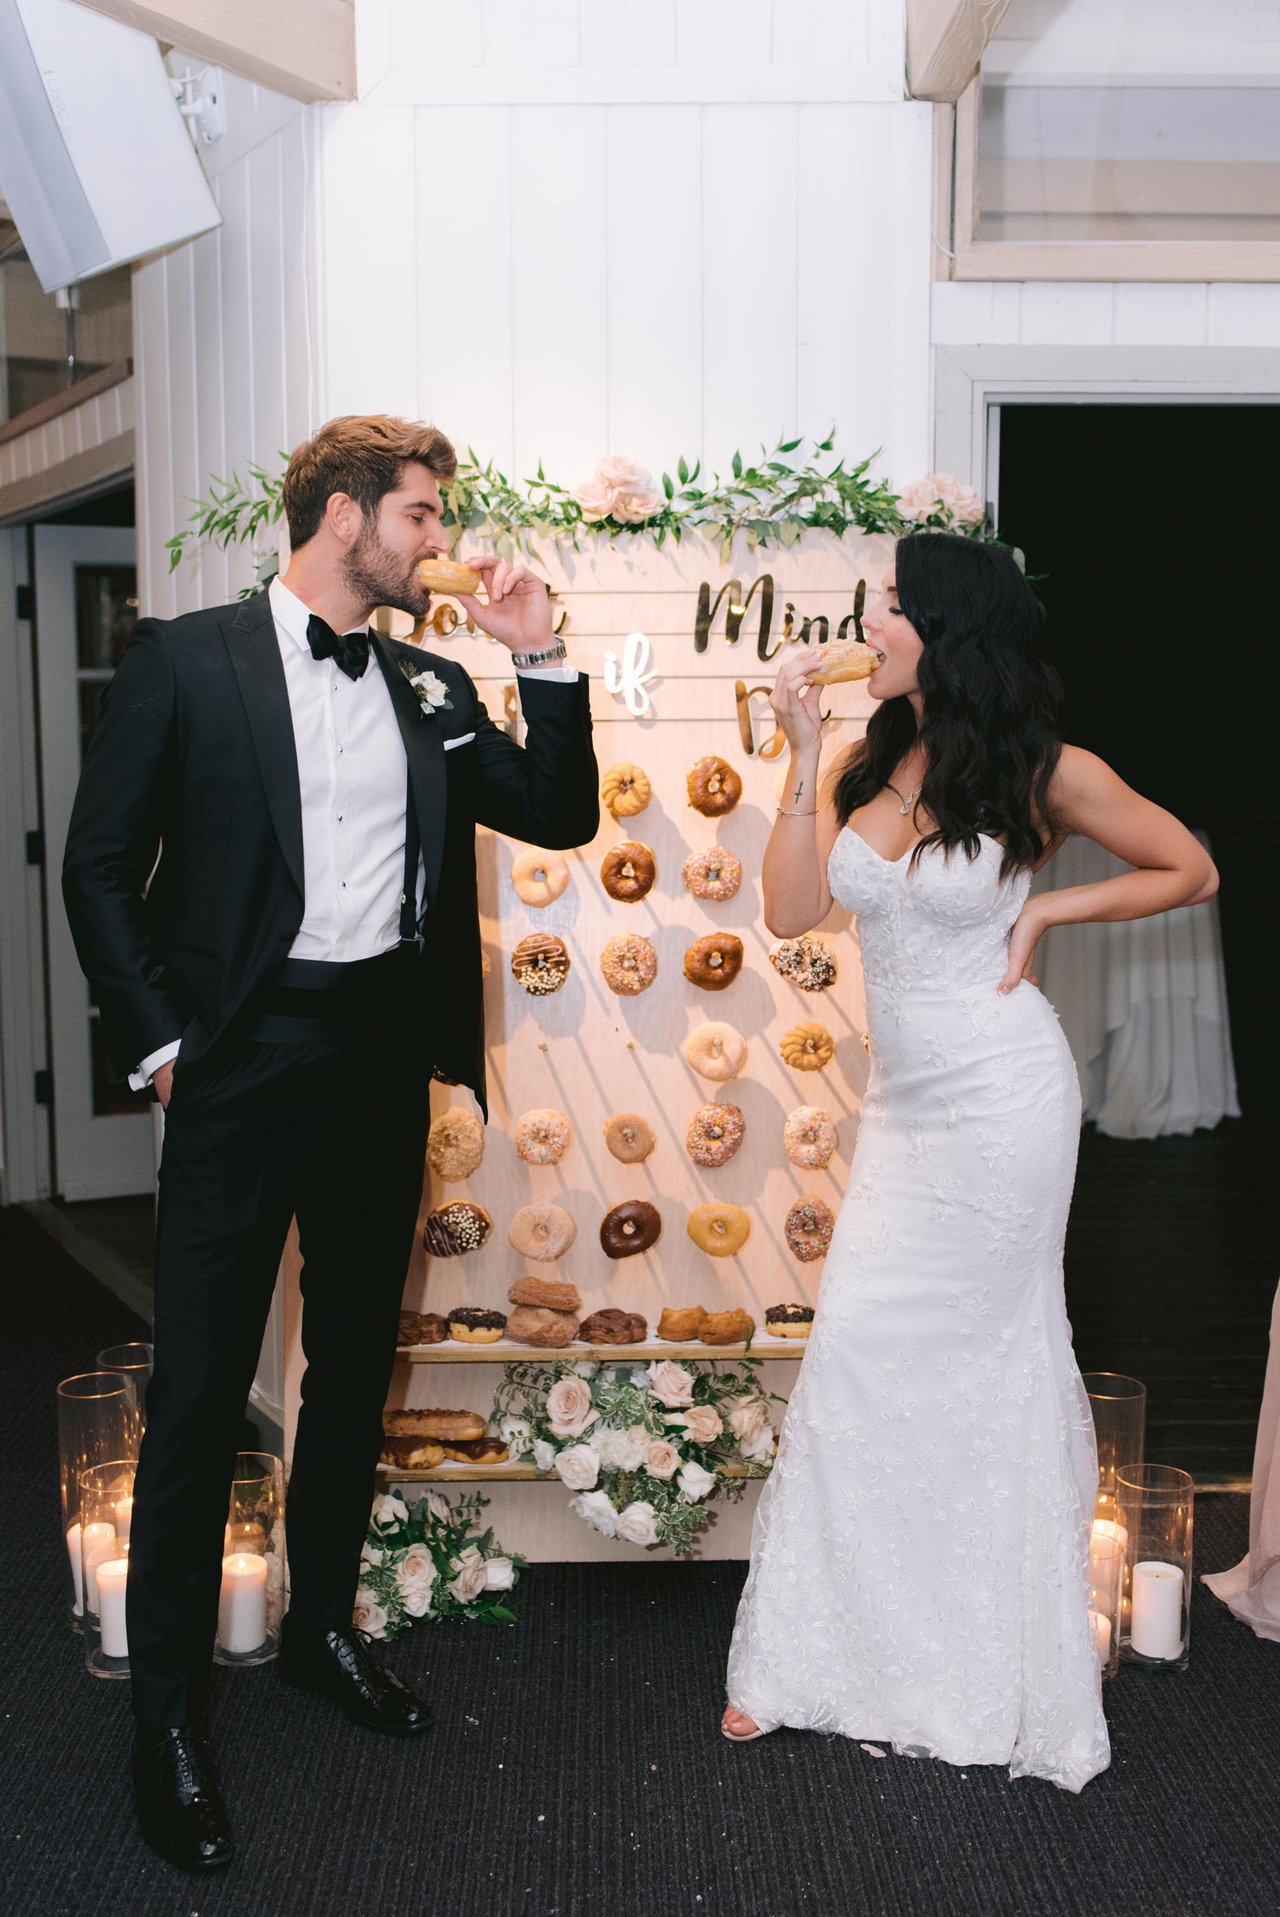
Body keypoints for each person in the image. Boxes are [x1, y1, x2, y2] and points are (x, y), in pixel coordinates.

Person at [62, 415, 598, 1870]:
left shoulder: (428, 680)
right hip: (237, 1070)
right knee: (196, 1399)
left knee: (354, 1369)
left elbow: (555, 809)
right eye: (420, 515)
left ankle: (316, 1632)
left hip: (378, 1071)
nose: (436, 539)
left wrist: (538, 656)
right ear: (345, 513)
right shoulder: (189, 658)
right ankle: (164, 1719)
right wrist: (166, 1048)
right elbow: (99, 866)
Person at [721, 531, 1215, 1791]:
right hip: (902, 1111)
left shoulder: (1042, 768)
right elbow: (788, 912)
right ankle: (815, 1656)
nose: (872, 626)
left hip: (1003, 1100)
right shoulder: (864, 760)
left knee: (988, 1369)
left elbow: (1186, 865)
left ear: (945, 634)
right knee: (864, 1354)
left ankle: (981, 1656)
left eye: (889, 609)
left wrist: (1048, 905)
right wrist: (791, 753)